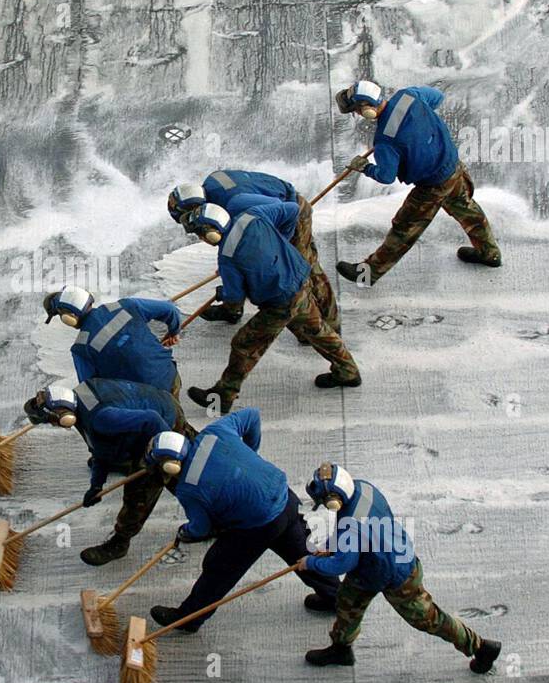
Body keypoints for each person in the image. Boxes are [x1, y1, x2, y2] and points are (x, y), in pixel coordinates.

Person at [142, 410, 339, 632]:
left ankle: (188, 619)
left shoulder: (189, 488)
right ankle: (335, 597)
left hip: (258, 524)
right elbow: (253, 416)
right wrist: (250, 451)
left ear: (171, 466)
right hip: (283, 499)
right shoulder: (213, 433)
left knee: (219, 568)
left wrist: (185, 532)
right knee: (301, 553)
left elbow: (202, 528)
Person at [299, 462, 502, 673]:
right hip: (396, 557)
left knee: (428, 619)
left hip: (389, 575)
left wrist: (311, 563)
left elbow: (342, 563)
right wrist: (333, 545)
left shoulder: (351, 524)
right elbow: (359, 532)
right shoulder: (363, 488)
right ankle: (341, 648)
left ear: (334, 500)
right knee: (346, 603)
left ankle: (480, 647)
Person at [184, 202, 360, 413]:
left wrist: (223, 293)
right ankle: (348, 371)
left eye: (200, 235)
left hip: (280, 302)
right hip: (300, 279)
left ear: (211, 232)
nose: (201, 239)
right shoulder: (251, 214)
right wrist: (281, 243)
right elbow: (293, 210)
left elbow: (234, 300)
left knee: (244, 344)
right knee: (316, 329)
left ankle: (223, 396)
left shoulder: (227, 256)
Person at [333, 80, 501, 285]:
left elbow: (386, 176)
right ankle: (489, 253)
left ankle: (368, 274)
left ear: (367, 111)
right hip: (453, 167)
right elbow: (437, 97)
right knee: (467, 210)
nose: (357, 114)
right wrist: (419, 121)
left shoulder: (385, 140)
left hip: (432, 185)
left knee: (404, 229)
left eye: (356, 111)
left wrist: (364, 167)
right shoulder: (408, 96)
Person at [23, 379, 197, 566]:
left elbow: (152, 419)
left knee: (142, 487)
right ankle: (206, 515)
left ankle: (119, 543)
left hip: (163, 422)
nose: (53, 425)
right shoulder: (82, 394)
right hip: (158, 403)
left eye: (51, 421)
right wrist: (96, 484)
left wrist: (166, 452)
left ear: (63, 416)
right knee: (183, 475)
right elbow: (99, 448)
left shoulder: (102, 418)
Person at [168, 172, 338, 333]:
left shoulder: (235, 205)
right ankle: (232, 309)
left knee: (301, 268)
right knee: (236, 262)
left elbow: (283, 210)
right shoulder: (213, 184)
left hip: (290, 211)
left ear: (196, 205)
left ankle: (330, 325)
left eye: (189, 216)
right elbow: (229, 239)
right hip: (269, 204)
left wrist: (281, 244)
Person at [43, 285, 183, 396]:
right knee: (174, 415)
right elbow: (170, 309)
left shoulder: (81, 348)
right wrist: (174, 332)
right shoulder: (126, 305)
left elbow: (88, 389)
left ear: (69, 318)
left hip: (145, 399)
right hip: (168, 375)